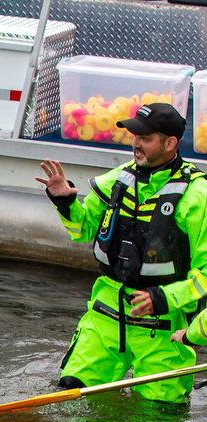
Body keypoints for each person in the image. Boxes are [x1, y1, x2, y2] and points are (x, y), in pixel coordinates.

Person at [36, 102, 207, 404]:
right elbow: (83, 230)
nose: (136, 144)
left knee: (156, 417)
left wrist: (165, 298)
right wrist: (64, 202)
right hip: (106, 314)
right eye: (134, 136)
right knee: (69, 397)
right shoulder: (119, 178)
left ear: (170, 144)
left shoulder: (197, 196)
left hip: (162, 327)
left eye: (146, 138)